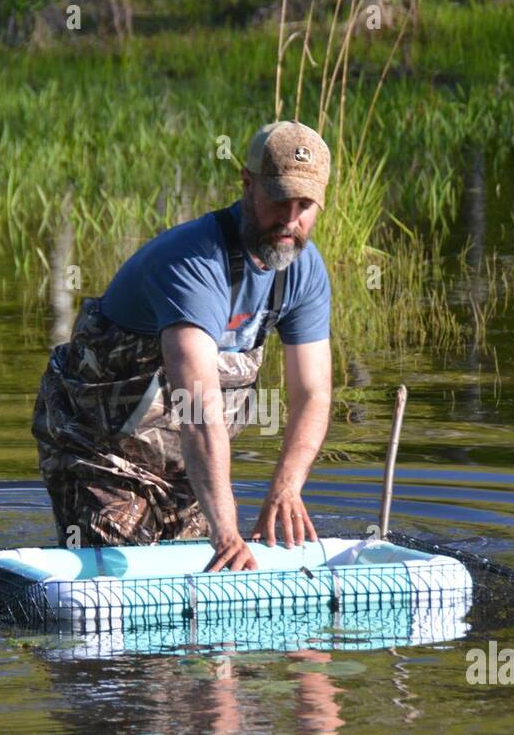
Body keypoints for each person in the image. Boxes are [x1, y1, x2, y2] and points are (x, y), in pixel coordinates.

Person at [32, 119, 333, 572]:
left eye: (305, 204)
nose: (291, 220)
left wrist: (286, 486)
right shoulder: (193, 263)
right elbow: (197, 406)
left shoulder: (304, 272)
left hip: (185, 468)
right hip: (99, 450)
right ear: (247, 184)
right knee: (123, 586)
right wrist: (227, 531)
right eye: (279, 199)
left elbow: (313, 393)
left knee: (199, 587)